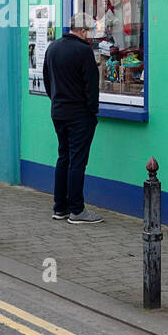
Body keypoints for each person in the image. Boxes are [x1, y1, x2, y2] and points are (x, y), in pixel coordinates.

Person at [42, 12, 102, 224]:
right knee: (77, 161)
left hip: (58, 111)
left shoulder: (53, 47)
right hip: (79, 115)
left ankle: (60, 208)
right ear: (83, 31)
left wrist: (57, 100)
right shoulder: (84, 51)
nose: (90, 36)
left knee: (63, 157)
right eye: (89, 32)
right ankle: (77, 210)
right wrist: (92, 111)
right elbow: (91, 87)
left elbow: (46, 80)